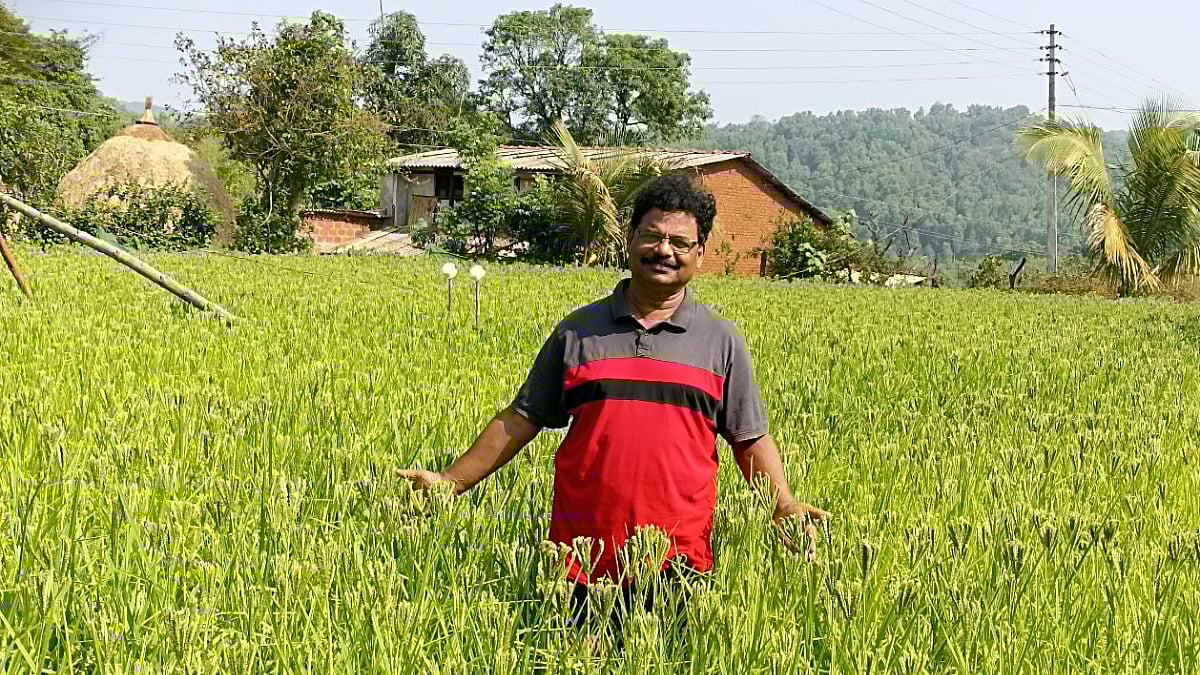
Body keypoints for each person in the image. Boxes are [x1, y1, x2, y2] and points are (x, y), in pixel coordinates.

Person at [398, 174, 830, 642]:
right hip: (581, 564)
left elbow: (749, 437)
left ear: (700, 254)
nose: (664, 250)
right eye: (653, 235)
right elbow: (521, 418)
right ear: (629, 240)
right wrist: (449, 482)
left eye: (681, 242)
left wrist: (782, 503)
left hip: (678, 565)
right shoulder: (578, 332)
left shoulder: (721, 341)